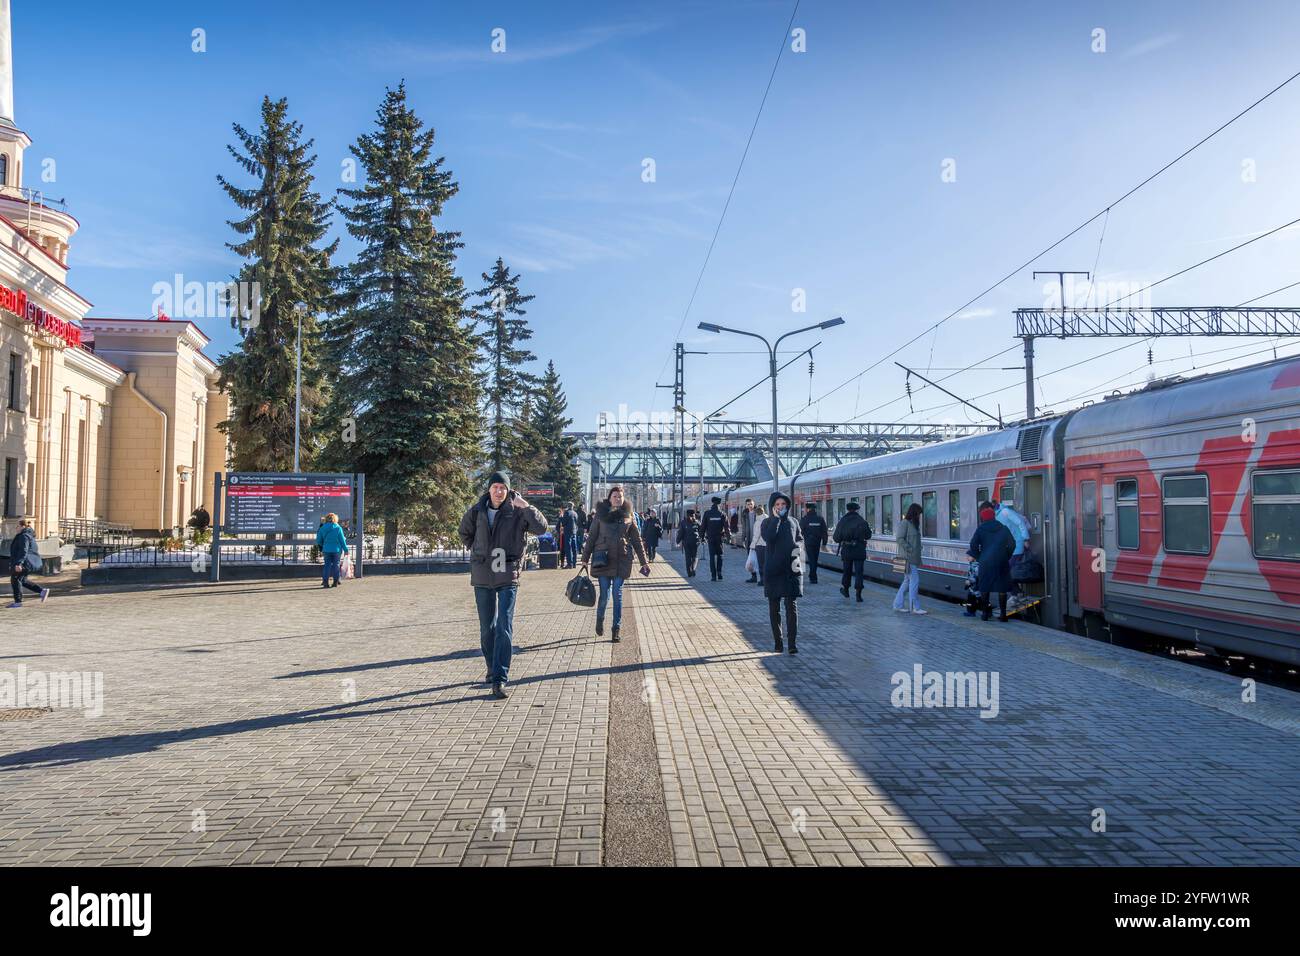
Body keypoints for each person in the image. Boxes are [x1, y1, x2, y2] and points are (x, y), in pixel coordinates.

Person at [458, 472, 549, 699]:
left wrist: (526, 506)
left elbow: (541, 528)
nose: (499, 491)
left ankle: (500, 678)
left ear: (509, 490)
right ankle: (491, 668)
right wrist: (480, 551)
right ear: (489, 489)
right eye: (495, 487)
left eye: (503, 488)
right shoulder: (477, 511)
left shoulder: (517, 511)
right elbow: (464, 533)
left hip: (507, 573)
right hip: (482, 574)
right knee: (487, 628)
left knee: (503, 626)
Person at [581, 486, 650, 642]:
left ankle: (616, 629)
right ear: (609, 498)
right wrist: (585, 559)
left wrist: (643, 562)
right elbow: (591, 537)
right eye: (615, 496)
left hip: (622, 560)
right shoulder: (600, 515)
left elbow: (637, 540)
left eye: (620, 496)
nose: (618, 499)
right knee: (604, 594)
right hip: (603, 560)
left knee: (617, 595)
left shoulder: (628, 516)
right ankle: (600, 618)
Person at [760, 491, 804, 654]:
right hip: (773, 569)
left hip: (791, 569)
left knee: (791, 607)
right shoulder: (766, 523)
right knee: (774, 607)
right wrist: (777, 519)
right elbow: (769, 538)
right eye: (777, 505)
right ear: (772, 507)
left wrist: (799, 547)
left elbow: (800, 538)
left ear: (788, 505)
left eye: (783, 505)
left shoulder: (794, 522)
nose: (780, 507)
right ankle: (778, 642)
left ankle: (792, 644)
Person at [968, 506, 1016, 622]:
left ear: (983, 518)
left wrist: (980, 557)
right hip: (1001, 561)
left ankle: (985, 614)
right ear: (994, 517)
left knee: (985, 587)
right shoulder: (1003, 528)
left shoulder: (980, 529)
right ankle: (1003, 615)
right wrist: (1006, 555)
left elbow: (973, 545)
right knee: (1002, 588)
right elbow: (1012, 544)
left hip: (985, 562)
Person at [832, 501, 872, 601]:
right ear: (857, 509)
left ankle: (846, 590)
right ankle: (858, 595)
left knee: (847, 571)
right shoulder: (862, 520)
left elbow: (836, 538)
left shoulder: (842, 521)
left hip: (847, 550)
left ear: (848, 509)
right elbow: (868, 535)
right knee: (859, 572)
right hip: (859, 549)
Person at [892, 502, 926, 614]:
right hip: (908, 558)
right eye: (918, 514)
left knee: (907, 581)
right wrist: (910, 548)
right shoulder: (905, 523)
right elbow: (899, 538)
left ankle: (897, 605)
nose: (919, 516)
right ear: (914, 513)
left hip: (912, 558)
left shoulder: (913, 525)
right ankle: (915, 607)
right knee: (914, 581)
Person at [7, 519, 49, 608]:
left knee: (15, 579)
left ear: (23, 526)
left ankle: (18, 602)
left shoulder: (24, 536)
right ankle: (42, 591)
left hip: (24, 563)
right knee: (22, 580)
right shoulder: (28, 535)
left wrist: (19, 563)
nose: (16, 528)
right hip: (26, 562)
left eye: (17, 526)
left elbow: (24, 550)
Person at [996, 500, 1031, 591]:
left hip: (1018, 546)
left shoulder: (1005, 512)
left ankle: (1016, 595)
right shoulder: (996, 516)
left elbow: (1020, 523)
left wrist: (1025, 539)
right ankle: (1017, 594)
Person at [315, 512, 349, 588]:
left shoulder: (322, 528)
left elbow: (319, 540)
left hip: (326, 550)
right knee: (336, 565)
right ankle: (335, 582)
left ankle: (325, 582)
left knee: (327, 565)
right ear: (335, 519)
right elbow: (342, 540)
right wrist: (346, 549)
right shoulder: (338, 528)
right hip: (336, 550)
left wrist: (323, 545)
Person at [799, 502, 827, 584]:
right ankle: (813, 576)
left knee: (812, 559)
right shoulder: (820, 519)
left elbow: (800, 532)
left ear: (808, 509)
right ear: (815, 509)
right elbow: (824, 532)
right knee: (815, 559)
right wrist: (824, 543)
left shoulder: (804, 519)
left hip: (809, 542)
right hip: (817, 542)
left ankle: (813, 577)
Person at [701, 496, 728, 581]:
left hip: (710, 538)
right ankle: (719, 572)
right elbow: (727, 527)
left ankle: (713, 575)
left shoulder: (707, 513)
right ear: (719, 504)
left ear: (712, 503)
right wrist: (728, 537)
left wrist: (701, 537)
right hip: (719, 538)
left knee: (712, 556)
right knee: (720, 555)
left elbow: (703, 527)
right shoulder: (722, 514)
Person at [677, 509, 701, 576]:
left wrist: (678, 541)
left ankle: (689, 572)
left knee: (688, 557)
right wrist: (702, 539)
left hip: (686, 542)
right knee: (695, 556)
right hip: (695, 542)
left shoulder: (683, 522)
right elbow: (701, 531)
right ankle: (693, 568)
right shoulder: (697, 522)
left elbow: (681, 533)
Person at [741, 499, 758, 582]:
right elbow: (744, 527)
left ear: (754, 504)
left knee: (760, 558)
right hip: (749, 540)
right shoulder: (744, 514)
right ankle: (753, 576)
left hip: (758, 540)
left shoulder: (758, 513)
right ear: (746, 505)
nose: (750, 506)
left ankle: (763, 578)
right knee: (751, 559)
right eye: (748, 504)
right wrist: (743, 539)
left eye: (751, 504)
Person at [558, 502, 579, 570]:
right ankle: (574, 564)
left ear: (568, 506)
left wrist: (561, 517)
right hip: (574, 532)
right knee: (574, 548)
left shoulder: (567, 513)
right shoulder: (575, 513)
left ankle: (569, 564)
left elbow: (563, 523)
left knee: (568, 548)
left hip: (568, 532)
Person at [751, 505, 768, 585]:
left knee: (761, 564)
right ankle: (767, 579)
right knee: (767, 563)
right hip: (767, 545)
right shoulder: (768, 519)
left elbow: (756, 535)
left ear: (756, 513)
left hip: (760, 545)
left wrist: (752, 545)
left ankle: (762, 580)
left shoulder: (758, 522)